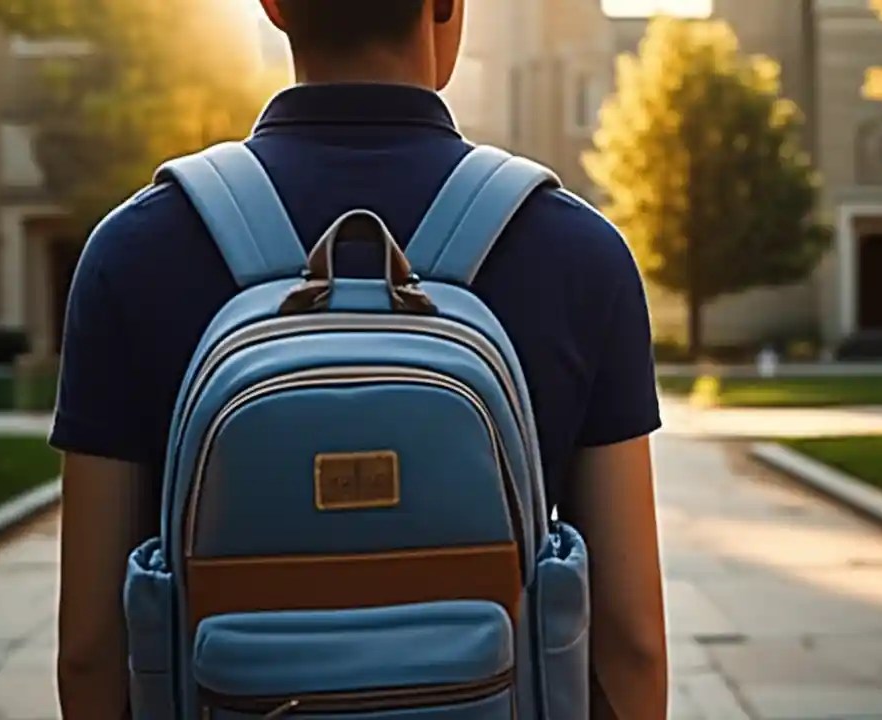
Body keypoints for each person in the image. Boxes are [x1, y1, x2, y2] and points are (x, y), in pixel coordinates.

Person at [50, 1, 668, 717]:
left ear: (273, 7)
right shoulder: (577, 252)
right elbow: (630, 642)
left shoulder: (132, 252)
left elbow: (91, 649)